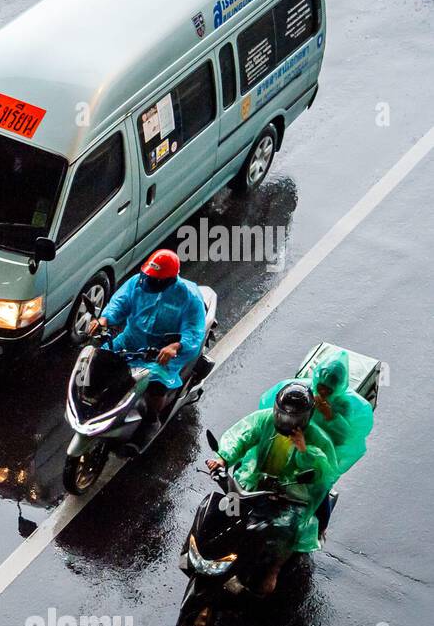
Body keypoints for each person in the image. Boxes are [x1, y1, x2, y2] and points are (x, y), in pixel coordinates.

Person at [207, 382, 339, 595]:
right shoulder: (264, 419)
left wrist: (305, 451)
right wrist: (222, 458)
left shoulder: (317, 438)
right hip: (257, 480)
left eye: (293, 418)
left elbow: (323, 472)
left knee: (285, 530)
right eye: (283, 415)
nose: (287, 422)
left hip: (292, 491)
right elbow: (242, 435)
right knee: (228, 510)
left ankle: (272, 569)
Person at [88, 249, 207, 444]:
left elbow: (194, 331)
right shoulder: (137, 282)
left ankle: (152, 418)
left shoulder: (189, 296)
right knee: (99, 360)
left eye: (154, 280)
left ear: (168, 280)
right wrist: (103, 320)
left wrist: (176, 346)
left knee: (155, 383)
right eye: (148, 277)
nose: (148, 282)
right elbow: (119, 303)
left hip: (161, 352)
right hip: (131, 340)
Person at [258, 345, 373, 476]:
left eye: (328, 390)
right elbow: (266, 411)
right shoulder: (300, 390)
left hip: (316, 450)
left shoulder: (343, 406)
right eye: (321, 387)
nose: (323, 392)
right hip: (287, 436)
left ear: (337, 389)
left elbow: (344, 441)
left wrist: (330, 417)